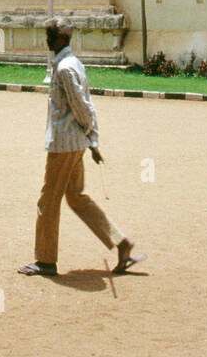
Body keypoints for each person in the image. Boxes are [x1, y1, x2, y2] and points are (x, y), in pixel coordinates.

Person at [18, 18, 144, 277]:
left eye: (51, 35)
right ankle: (121, 242)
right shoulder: (72, 64)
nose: (47, 40)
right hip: (75, 144)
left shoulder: (65, 68)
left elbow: (83, 107)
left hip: (64, 146)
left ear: (63, 38)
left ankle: (45, 260)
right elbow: (86, 104)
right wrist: (91, 140)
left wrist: (93, 138)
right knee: (76, 197)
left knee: (48, 201)